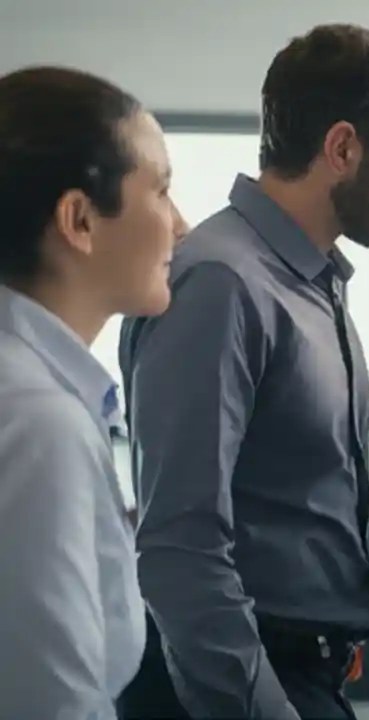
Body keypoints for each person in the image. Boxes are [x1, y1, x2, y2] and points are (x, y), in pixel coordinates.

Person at [115, 24, 369, 720]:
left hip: (302, 672)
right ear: (343, 148)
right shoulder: (221, 285)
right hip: (233, 684)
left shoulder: (307, 281)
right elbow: (181, 546)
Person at [0, 66, 186, 717]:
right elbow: (51, 701)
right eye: (161, 191)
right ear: (79, 219)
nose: (180, 225)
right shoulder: (37, 420)